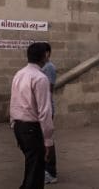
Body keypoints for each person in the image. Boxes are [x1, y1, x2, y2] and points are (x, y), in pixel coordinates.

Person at [10, 42, 55, 189]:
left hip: (19, 125)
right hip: (32, 128)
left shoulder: (19, 74)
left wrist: (13, 124)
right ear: (44, 56)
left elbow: (14, 101)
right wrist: (48, 140)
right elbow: (45, 111)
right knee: (35, 171)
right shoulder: (40, 78)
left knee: (32, 165)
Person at [41, 44, 58, 185]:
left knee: (48, 140)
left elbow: (49, 89)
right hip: (42, 109)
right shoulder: (42, 67)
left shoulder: (49, 68)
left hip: (47, 109)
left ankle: (51, 172)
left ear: (47, 53)